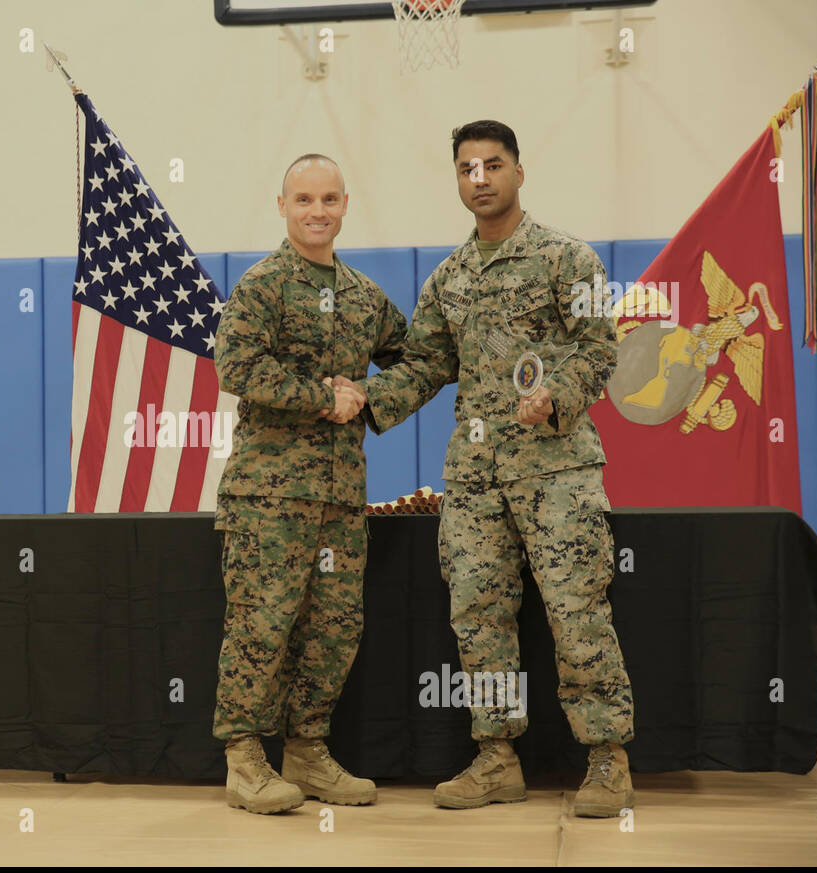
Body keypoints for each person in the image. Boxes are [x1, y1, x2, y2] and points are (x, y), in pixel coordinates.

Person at [346, 120, 635, 817]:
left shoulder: (570, 259)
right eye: (467, 168)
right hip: (475, 481)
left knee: (576, 614)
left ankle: (607, 759)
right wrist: (362, 400)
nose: (480, 178)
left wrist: (556, 395)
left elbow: (600, 347)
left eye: (493, 165)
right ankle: (497, 758)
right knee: (480, 619)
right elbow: (425, 364)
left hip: (557, 472)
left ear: (519, 172)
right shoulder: (450, 278)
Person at [213, 153, 407, 814]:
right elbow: (233, 364)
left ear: (346, 204)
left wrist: (375, 400)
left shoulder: (363, 296)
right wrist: (320, 398)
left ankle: (308, 752)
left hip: (339, 497)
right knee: (261, 627)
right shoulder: (264, 284)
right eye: (304, 200)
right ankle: (245, 761)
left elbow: (417, 356)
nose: (317, 211)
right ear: (282, 206)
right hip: (269, 496)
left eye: (328, 199)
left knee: (333, 628)